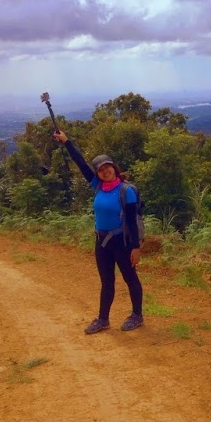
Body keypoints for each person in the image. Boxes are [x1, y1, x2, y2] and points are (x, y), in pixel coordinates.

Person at [54, 128, 145, 332]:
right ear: (97, 173)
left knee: (130, 279)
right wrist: (67, 141)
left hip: (122, 242)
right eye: (101, 169)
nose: (105, 171)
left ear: (114, 167)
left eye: (107, 167)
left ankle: (137, 315)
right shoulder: (98, 186)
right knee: (106, 282)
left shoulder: (126, 191)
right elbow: (81, 163)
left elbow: (131, 222)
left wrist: (135, 248)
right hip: (101, 242)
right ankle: (103, 319)